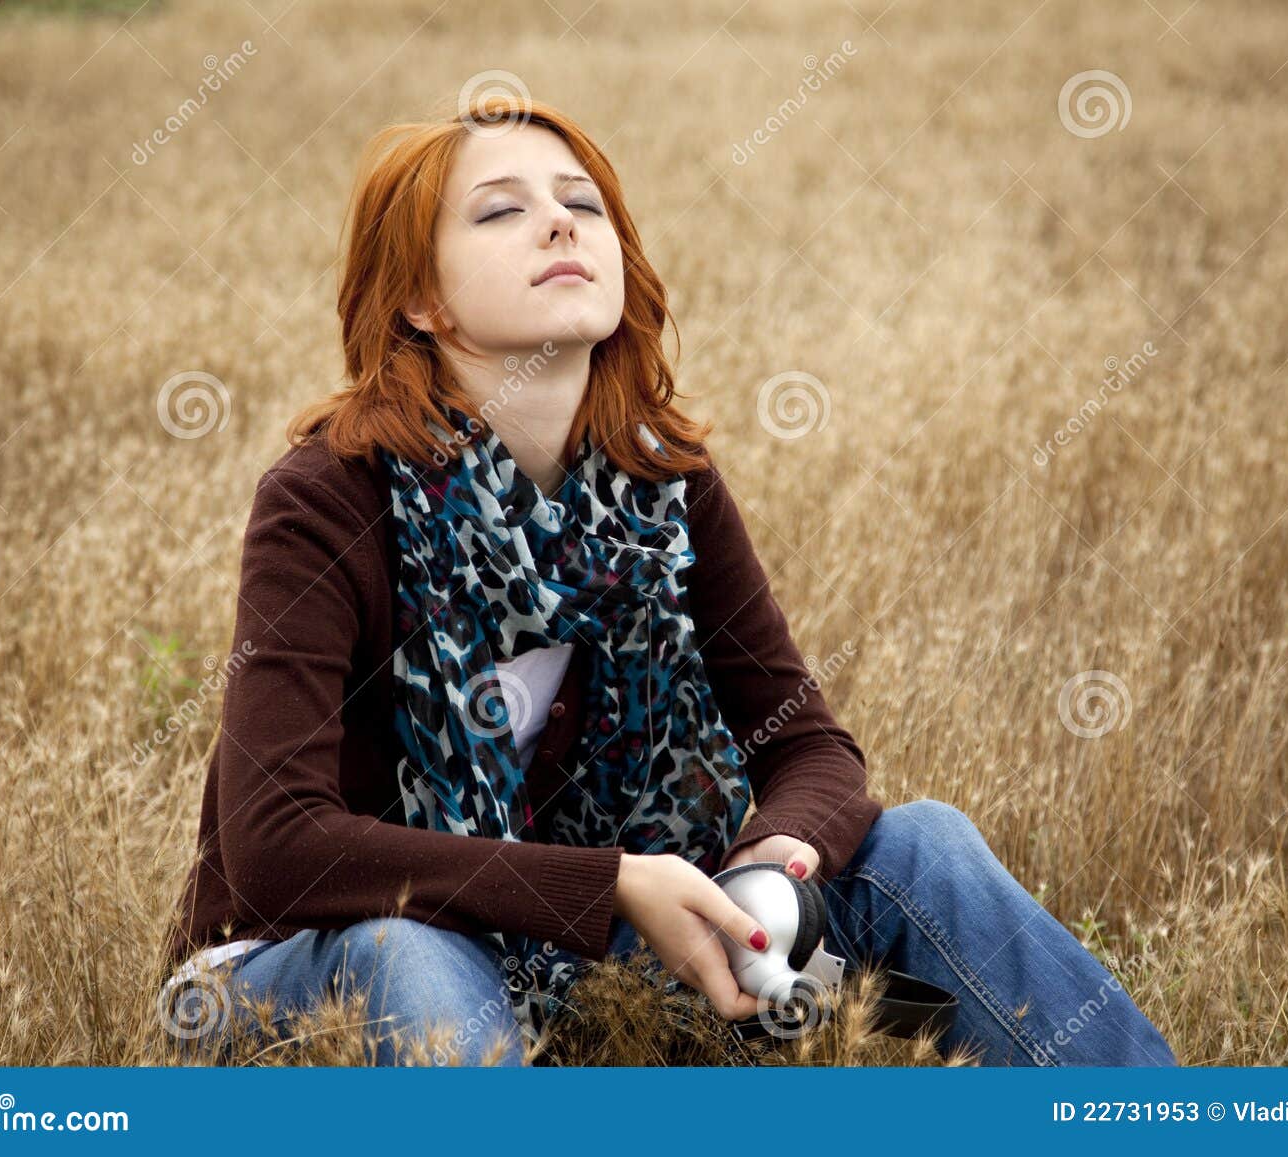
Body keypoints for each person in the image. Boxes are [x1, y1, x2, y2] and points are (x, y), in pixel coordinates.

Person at [156, 93, 1177, 1068]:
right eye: (503, 211)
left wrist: (769, 876)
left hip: (580, 963)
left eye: (582, 203)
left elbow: (807, 743)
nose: (558, 223)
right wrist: (608, 885)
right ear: (420, 299)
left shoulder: (663, 484)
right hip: (306, 968)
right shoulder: (329, 498)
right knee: (410, 956)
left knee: (920, 845)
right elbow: (278, 847)